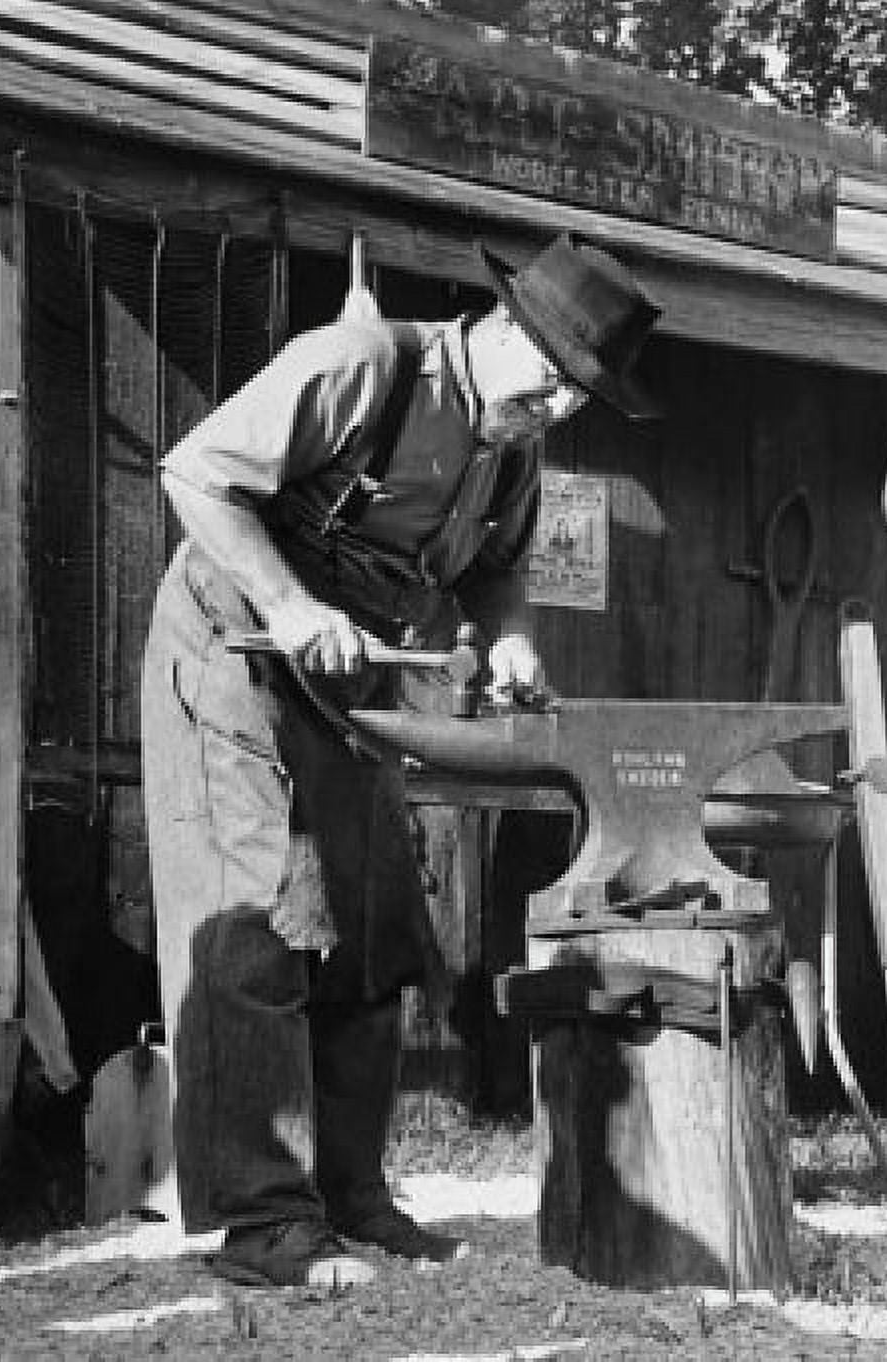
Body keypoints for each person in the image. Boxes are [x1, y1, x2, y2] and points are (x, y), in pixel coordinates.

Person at [140, 234, 661, 1288]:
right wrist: (289, 605)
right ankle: (265, 1221)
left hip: (352, 679)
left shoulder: (511, 435)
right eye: (553, 383)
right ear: (504, 327)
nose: (556, 412)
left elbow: (499, 573)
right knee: (262, 917)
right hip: (234, 645)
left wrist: (512, 639)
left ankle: (351, 1198)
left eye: (577, 399)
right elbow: (192, 472)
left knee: (374, 929)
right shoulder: (362, 362)